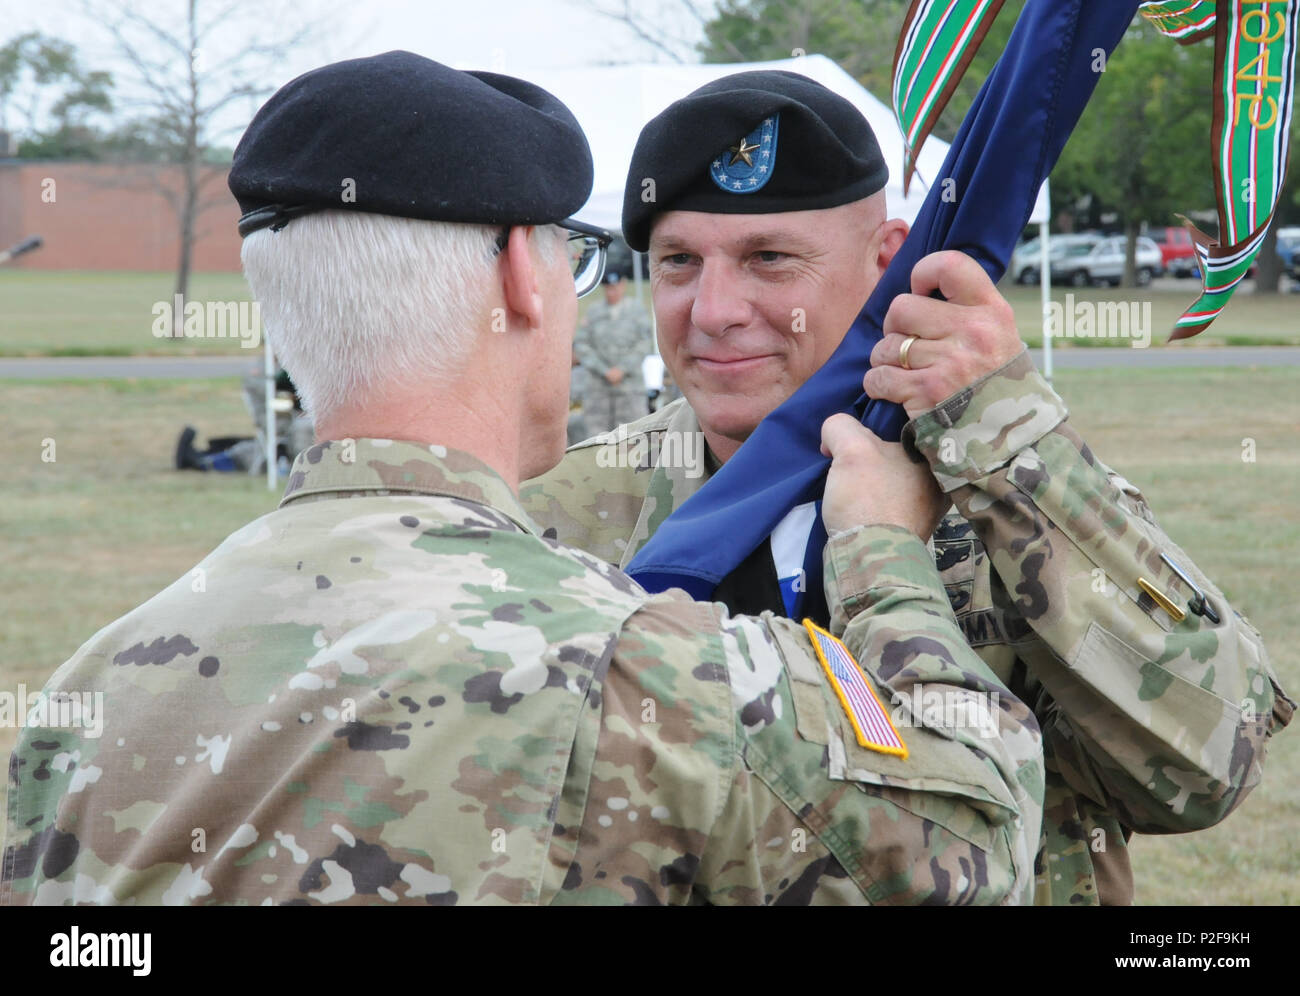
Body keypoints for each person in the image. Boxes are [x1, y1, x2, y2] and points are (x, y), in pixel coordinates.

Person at [1, 52, 1044, 907]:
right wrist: (884, 555)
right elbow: (974, 837)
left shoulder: (92, 687)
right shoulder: (646, 672)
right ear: (517, 274)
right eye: (576, 260)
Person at [522, 70, 1294, 906]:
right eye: (677, 262)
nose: (712, 310)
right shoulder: (558, 514)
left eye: (769, 259)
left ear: (888, 263)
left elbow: (1209, 767)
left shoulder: (1004, 494)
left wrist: (1007, 438)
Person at [573, 271, 654, 434]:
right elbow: (581, 344)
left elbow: (645, 342)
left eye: (615, 287)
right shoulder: (594, 311)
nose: (612, 292)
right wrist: (605, 370)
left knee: (632, 437)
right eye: (608, 288)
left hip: (630, 387)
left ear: (623, 285)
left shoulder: (636, 310)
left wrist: (622, 369)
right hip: (599, 388)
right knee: (597, 438)